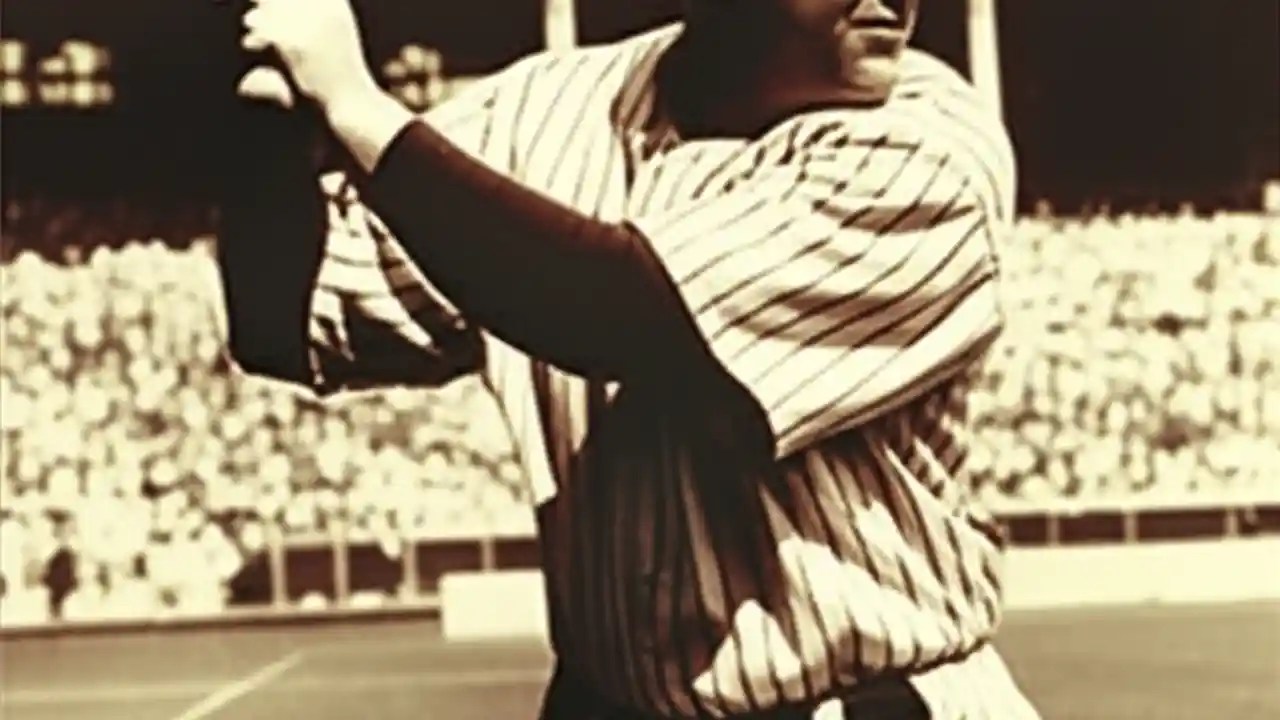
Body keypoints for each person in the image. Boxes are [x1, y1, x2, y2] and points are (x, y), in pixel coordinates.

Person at [220, 0, 1038, 717]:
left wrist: (357, 107)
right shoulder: (548, 107)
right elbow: (280, 323)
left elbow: (620, 314)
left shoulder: (930, 144)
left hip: (865, 707)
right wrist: (269, 107)